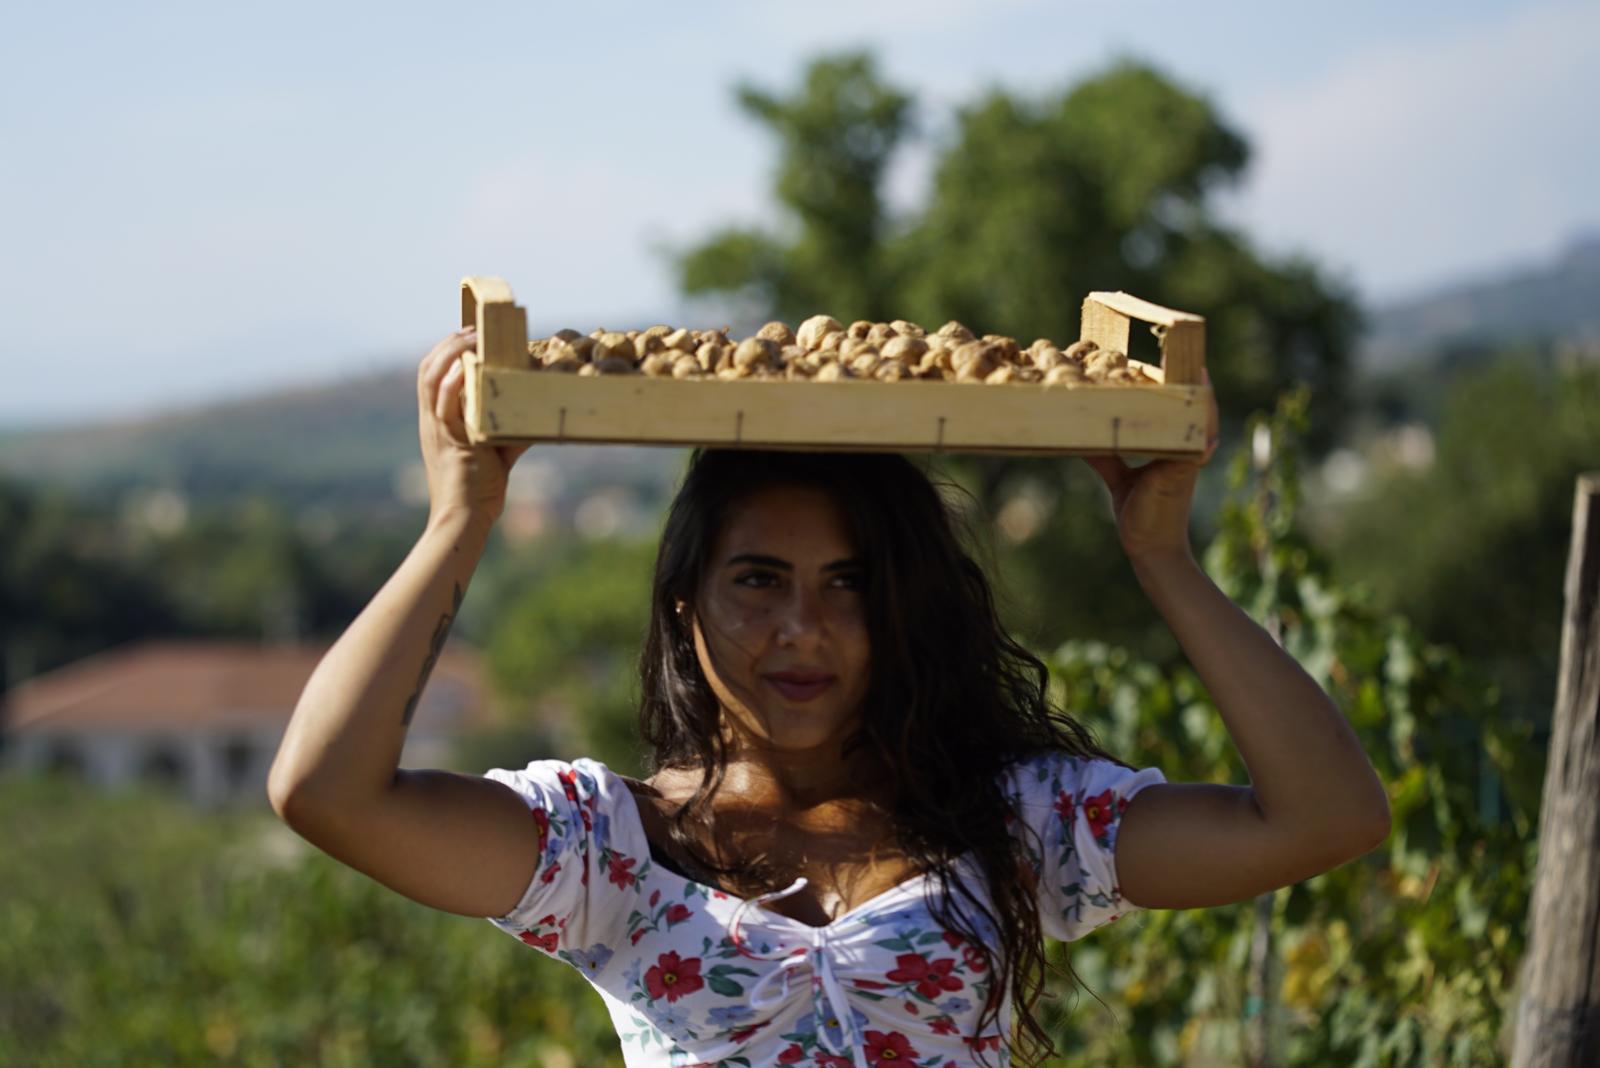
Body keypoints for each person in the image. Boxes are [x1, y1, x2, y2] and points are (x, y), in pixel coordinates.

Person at [268, 326, 1392, 1067]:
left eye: (850, 585)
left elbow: (1323, 817)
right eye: (758, 582)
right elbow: (325, 792)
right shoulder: (603, 851)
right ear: (681, 607)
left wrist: (1163, 558)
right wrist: (457, 520)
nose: (802, 630)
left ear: (904, 609)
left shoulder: (1016, 824)